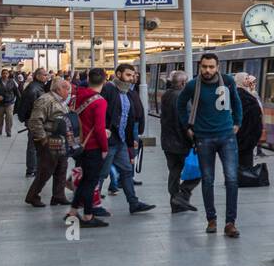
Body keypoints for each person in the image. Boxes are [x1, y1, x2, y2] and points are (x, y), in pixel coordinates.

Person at [178, 52, 242, 237]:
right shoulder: (192, 85)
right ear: (200, 67)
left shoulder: (228, 82)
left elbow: (237, 103)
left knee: (231, 179)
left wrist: (237, 123)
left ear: (217, 67)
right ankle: (211, 219)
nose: (207, 70)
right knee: (208, 180)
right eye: (204, 67)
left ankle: (230, 223)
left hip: (227, 136)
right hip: (203, 138)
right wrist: (187, 126)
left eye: (211, 67)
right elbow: (180, 105)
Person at [98, 63, 154, 215]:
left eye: (132, 75)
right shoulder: (109, 89)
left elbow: (129, 118)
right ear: (118, 74)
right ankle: (93, 206)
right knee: (101, 174)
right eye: (128, 75)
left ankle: (133, 203)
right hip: (108, 141)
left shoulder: (128, 93)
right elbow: (100, 111)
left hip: (121, 141)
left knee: (127, 171)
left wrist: (131, 141)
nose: (131, 78)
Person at [69, 68, 110, 229]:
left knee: (85, 180)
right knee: (90, 182)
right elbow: (99, 128)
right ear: (104, 81)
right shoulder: (99, 101)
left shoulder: (77, 97)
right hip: (92, 146)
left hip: (78, 145)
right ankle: (87, 215)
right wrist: (104, 148)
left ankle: (73, 211)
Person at [25, 76, 72, 208]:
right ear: (58, 89)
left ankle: (59, 195)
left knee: (61, 167)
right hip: (49, 139)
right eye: (66, 89)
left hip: (60, 139)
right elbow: (35, 121)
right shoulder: (45, 100)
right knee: (46, 169)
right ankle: (33, 195)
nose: (68, 92)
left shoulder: (60, 101)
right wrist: (43, 139)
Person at [160, 70, 199, 213]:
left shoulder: (166, 95)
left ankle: (175, 202)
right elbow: (187, 122)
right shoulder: (182, 98)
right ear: (183, 83)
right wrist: (194, 139)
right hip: (181, 143)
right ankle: (183, 194)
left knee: (174, 172)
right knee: (199, 171)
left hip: (167, 142)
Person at [18, 67, 51, 178]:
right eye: (45, 75)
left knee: (37, 145)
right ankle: (32, 169)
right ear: (38, 76)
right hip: (34, 121)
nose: (47, 77)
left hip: (37, 120)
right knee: (33, 145)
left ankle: (35, 168)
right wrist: (26, 120)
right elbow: (26, 106)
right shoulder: (33, 89)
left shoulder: (39, 87)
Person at [234, 72, 263, 171]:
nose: (248, 80)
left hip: (245, 136)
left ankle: (241, 177)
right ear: (240, 81)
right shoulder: (241, 95)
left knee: (242, 161)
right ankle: (243, 178)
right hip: (245, 136)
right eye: (246, 79)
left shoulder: (244, 93)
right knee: (244, 162)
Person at [0, 69, 19, 136]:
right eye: (3, 73)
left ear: (8, 74)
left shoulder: (11, 82)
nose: (5, 75)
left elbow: (16, 91)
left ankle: (8, 131)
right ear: (1, 74)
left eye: (6, 73)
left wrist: (20, 99)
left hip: (9, 102)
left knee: (9, 117)